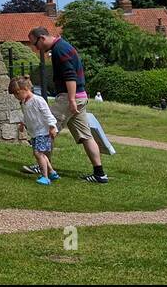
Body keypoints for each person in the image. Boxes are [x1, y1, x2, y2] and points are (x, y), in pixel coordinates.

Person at [28, 26, 109, 183]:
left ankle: (43, 165)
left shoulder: (59, 50)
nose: (35, 48)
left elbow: (70, 77)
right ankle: (100, 174)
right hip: (81, 96)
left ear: (42, 38)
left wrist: (71, 100)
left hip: (69, 97)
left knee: (48, 128)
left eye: (35, 44)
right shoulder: (63, 46)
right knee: (86, 135)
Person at [10, 76, 59, 184]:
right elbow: (27, 115)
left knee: (38, 153)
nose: (16, 96)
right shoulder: (24, 102)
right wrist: (23, 123)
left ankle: (45, 177)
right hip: (35, 133)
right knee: (41, 154)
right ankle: (52, 172)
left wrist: (52, 127)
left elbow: (48, 114)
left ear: (26, 89)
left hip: (43, 131)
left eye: (17, 93)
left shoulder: (38, 100)